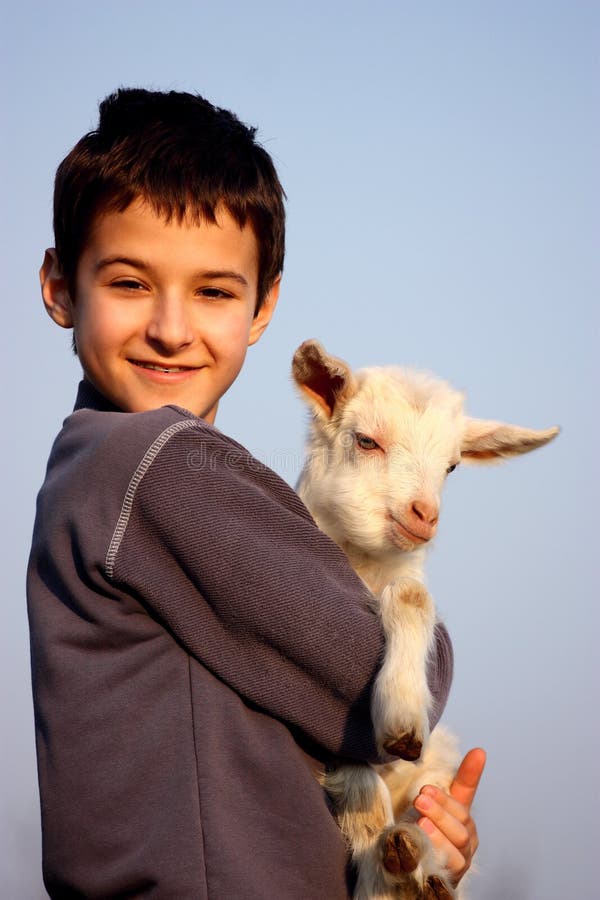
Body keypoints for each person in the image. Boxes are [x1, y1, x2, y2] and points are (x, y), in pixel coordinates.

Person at [27, 87, 484, 899]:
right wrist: (423, 650)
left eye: (212, 291)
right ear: (61, 286)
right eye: (130, 283)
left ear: (262, 305)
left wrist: (407, 832)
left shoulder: (91, 473)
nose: (172, 328)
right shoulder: (153, 466)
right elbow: (385, 689)